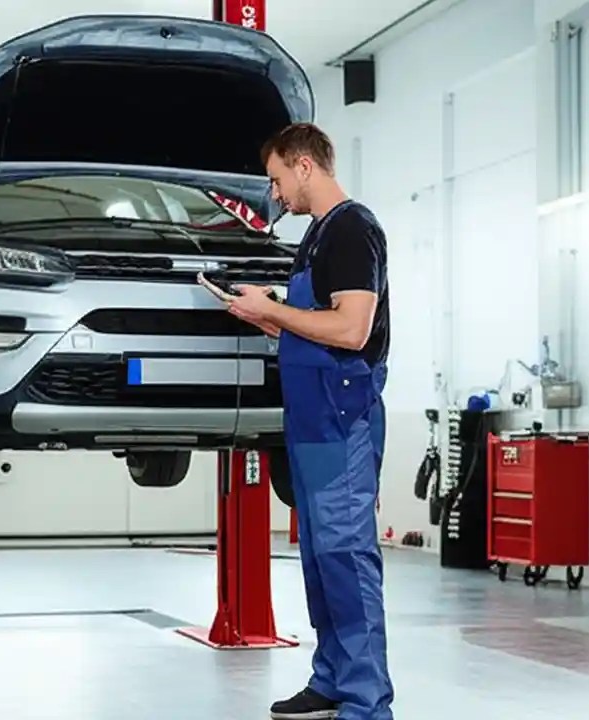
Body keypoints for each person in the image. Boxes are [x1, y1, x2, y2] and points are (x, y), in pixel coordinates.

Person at [225, 123, 393, 720]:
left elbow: (352, 329)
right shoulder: (318, 237)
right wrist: (265, 313)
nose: (276, 195)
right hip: (312, 418)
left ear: (303, 165)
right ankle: (331, 680)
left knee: (347, 558)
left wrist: (275, 310)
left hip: (343, 418)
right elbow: (313, 322)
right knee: (321, 560)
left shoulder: (351, 228)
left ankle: (367, 703)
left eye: (276, 179)